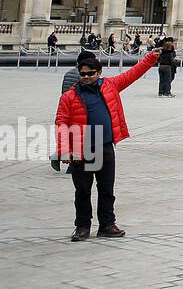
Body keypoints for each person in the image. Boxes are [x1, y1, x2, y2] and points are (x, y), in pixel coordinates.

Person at [52, 46, 160, 241]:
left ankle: (107, 225)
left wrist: (150, 59)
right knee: (83, 191)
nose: (85, 77)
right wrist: (64, 151)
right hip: (81, 149)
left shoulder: (111, 85)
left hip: (104, 147)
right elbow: (61, 123)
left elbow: (133, 74)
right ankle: (82, 226)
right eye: (82, 74)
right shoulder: (69, 96)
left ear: (99, 73)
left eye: (89, 74)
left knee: (106, 189)